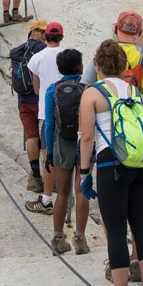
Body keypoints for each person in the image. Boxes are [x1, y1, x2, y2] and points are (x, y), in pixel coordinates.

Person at [82, 11, 143, 282]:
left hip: (111, 153)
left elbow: (86, 130)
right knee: (141, 219)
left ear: (115, 27)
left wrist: (85, 170)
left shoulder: (96, 76)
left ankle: (118, 271)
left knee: (115, 221)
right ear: (139, 32)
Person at [43, 49, 90, 255]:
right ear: (80, 66)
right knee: (81, 190)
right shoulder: (87, 89)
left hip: (62, 142)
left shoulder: (53, 90)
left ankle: (58, 238)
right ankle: (80, 238)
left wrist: (49, 153)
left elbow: (49, 124)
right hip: (83, 142)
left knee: (62, 192)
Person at [26, 23, 65, 214]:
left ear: (46, 37)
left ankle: (47, 199)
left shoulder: (36, 58)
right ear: (61, 37)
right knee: (67, 154)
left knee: (47, 155)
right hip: (68, 110)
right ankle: (66, 197)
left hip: (46, 112)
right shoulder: (68, 54)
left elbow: (35, 88)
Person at [10, 21, 47, 194]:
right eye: (42, 32)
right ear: (33, 32)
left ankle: (36, 178)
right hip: (39, 100)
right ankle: (49, 180)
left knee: (31, 138)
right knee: (46, 140)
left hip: (23, 100)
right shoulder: (42, 49)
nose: (45, 35)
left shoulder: (19, 50)